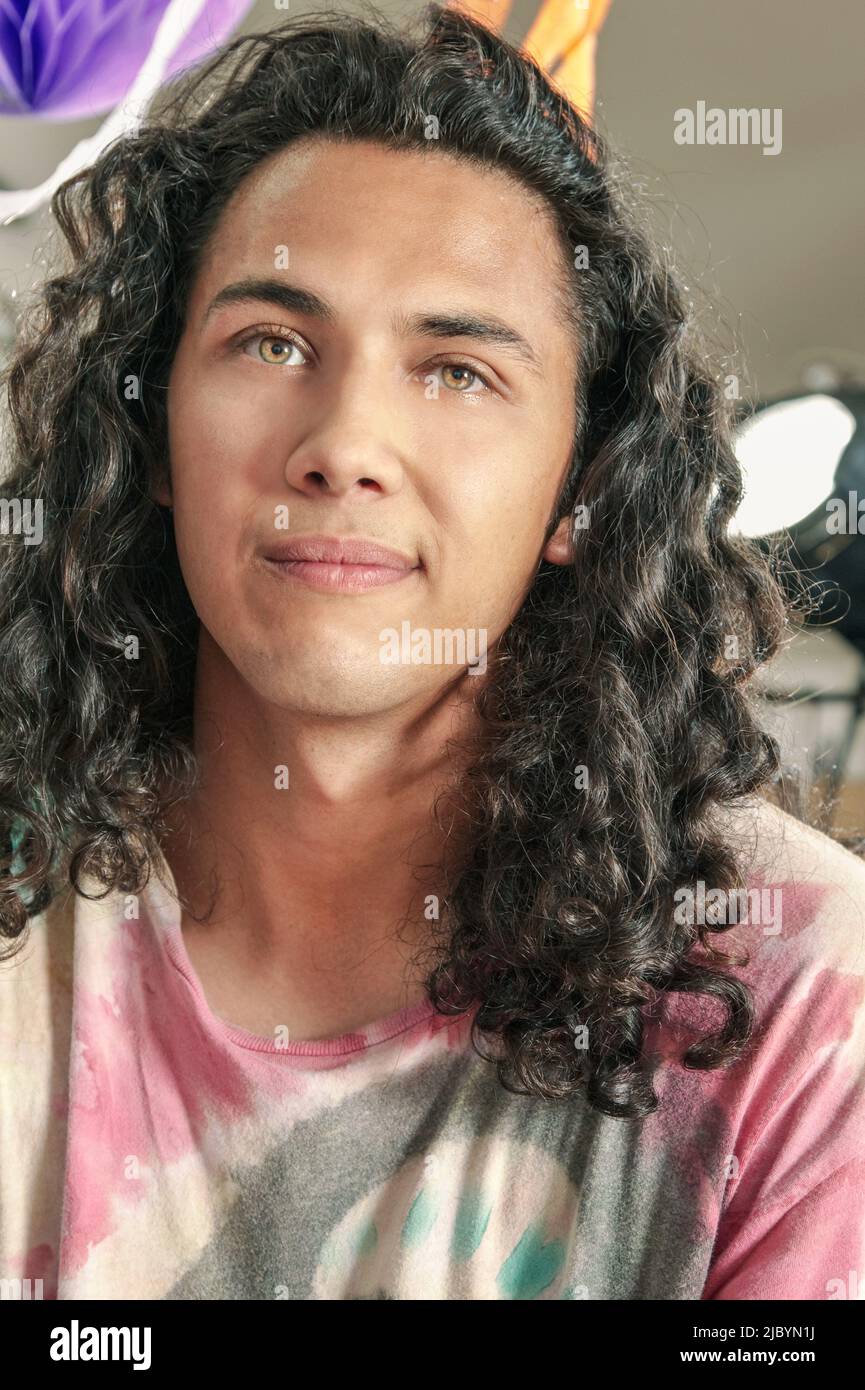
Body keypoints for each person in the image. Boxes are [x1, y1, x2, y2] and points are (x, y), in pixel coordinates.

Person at [1, 4, 863, 1302]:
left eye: (456, 369)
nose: (342, 440)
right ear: (151, 427)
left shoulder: (802, 994)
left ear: (580, 488)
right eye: (272, 342)